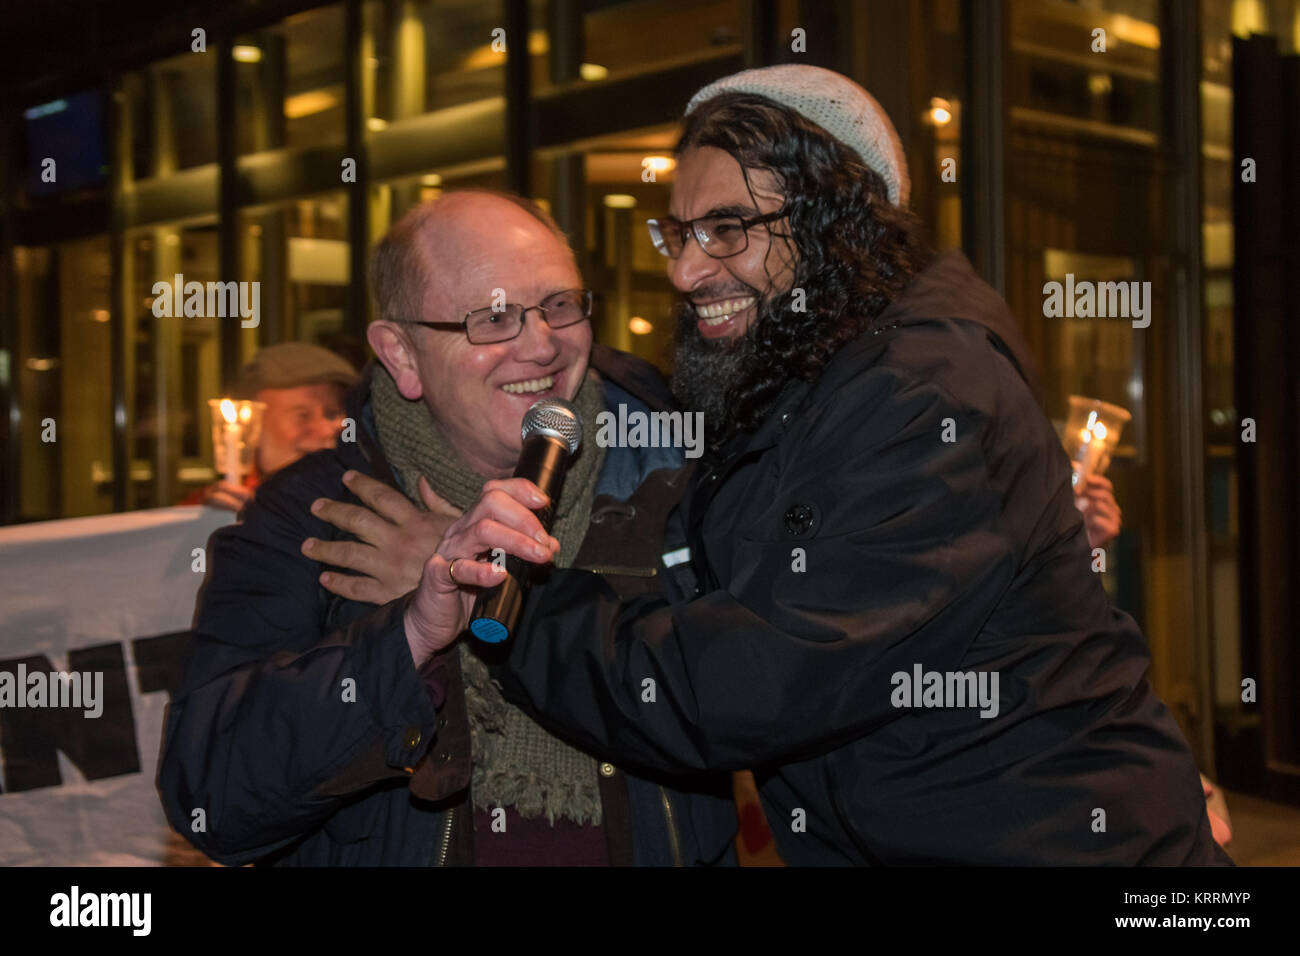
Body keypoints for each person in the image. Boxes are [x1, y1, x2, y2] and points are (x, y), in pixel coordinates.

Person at [405, 65, 1232, 865]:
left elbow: (746, 684)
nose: (685, 271)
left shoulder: (921, 394)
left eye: (728, 229)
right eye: (678, 232)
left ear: (841, 219)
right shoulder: (802, 370)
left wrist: (503, 606)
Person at [157, 190, 735, 866]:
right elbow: (212, 795)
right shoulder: (311, 514)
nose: (542, 345)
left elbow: (740, 708)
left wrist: (512, 607)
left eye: (559, 305)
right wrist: (406, 639)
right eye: (493, 318)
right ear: (401, 354)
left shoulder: (674, 479)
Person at [180, 343, 358, 512]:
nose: (327, 431)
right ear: (251, 428)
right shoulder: (206, 511)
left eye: (333, 414)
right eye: (302, 416)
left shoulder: (364, 496)